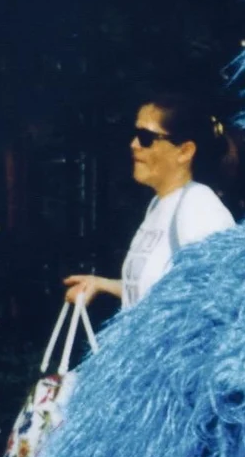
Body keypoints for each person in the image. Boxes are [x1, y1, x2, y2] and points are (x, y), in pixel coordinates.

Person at [64, 93, 236, 313]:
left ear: (185, 151)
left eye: (146, 138)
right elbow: (154, 291)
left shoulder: (200, 208)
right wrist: (101, 284)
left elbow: (220, 300)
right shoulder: (158, 204)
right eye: (135, 134)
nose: (134, 145)